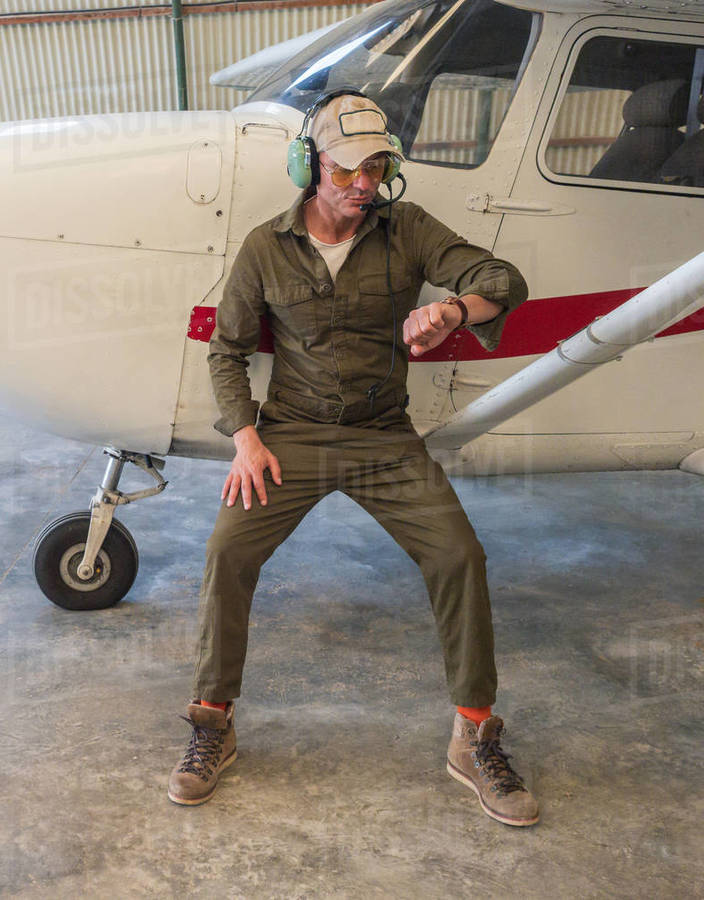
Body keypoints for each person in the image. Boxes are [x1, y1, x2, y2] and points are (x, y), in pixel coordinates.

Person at [167, 91, 539, 827]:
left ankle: (475, 736)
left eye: (376, 167)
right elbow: (227, 352)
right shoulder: (264, 248)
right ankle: (213, 724)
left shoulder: (407, 231)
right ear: (309, 165)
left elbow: (503, 283)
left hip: (383, 439)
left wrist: (454, 310)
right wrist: (246, 437)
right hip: (291, 436)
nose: (364, 184)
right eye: (348, 170)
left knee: (459, 554)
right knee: (227, 551)